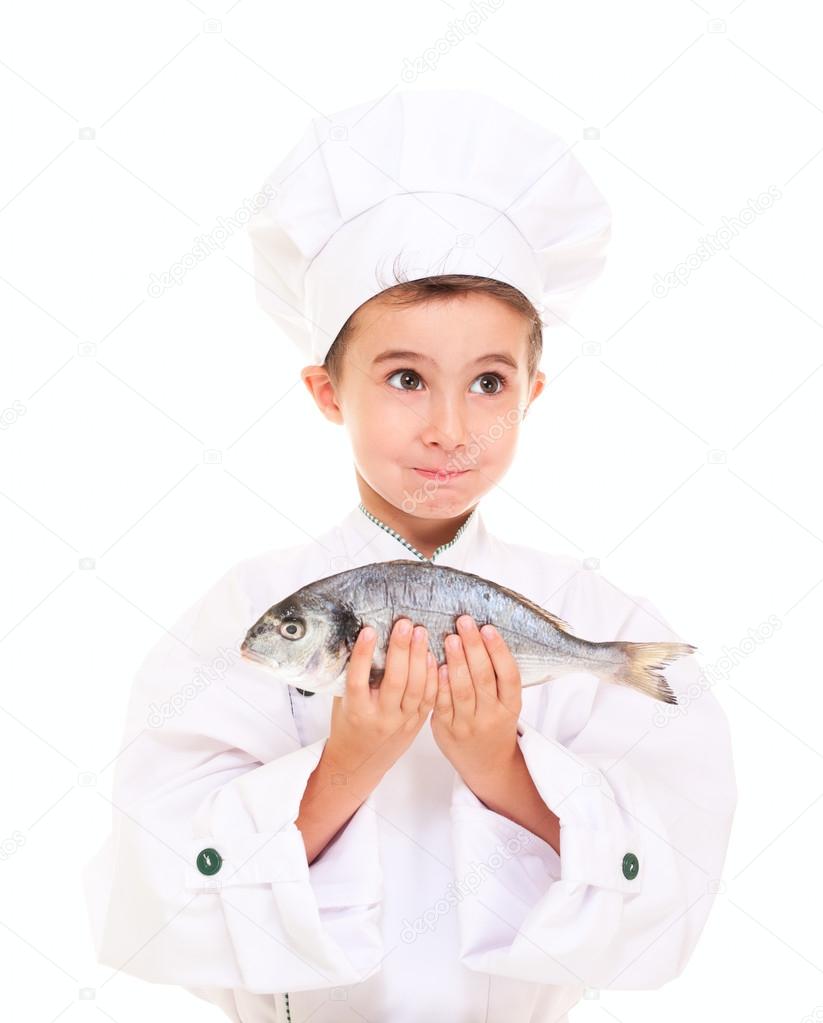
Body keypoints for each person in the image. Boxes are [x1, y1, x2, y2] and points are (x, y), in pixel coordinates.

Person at [82, 89, 738, 1023]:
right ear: (326, 390)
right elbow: (152, 896)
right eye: (403, 378)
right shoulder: (247, 611)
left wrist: (500, 765)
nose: (447, 427)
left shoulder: (605, 619)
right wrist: (347, 760)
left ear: (532, 391)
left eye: (487, 381)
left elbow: (671, 899)